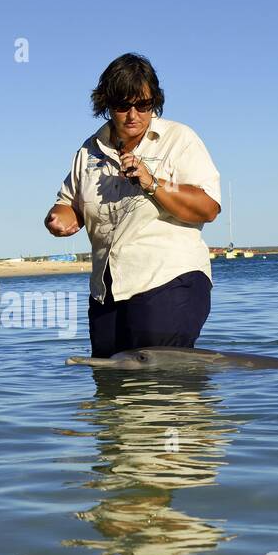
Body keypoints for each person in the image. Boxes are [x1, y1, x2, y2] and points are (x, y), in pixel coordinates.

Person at [45, 52, 221, 359]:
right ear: (106, 106)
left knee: (162, 390)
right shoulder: (89, 151)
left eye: (143, 105)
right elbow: (68, 204)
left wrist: (152, 182)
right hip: (106, 293)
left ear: (155, 102)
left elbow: (208, 208)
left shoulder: (179, 139)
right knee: (109, 389)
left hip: (169, 281)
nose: (133, 114)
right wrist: (60, 219)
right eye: (122, 105)